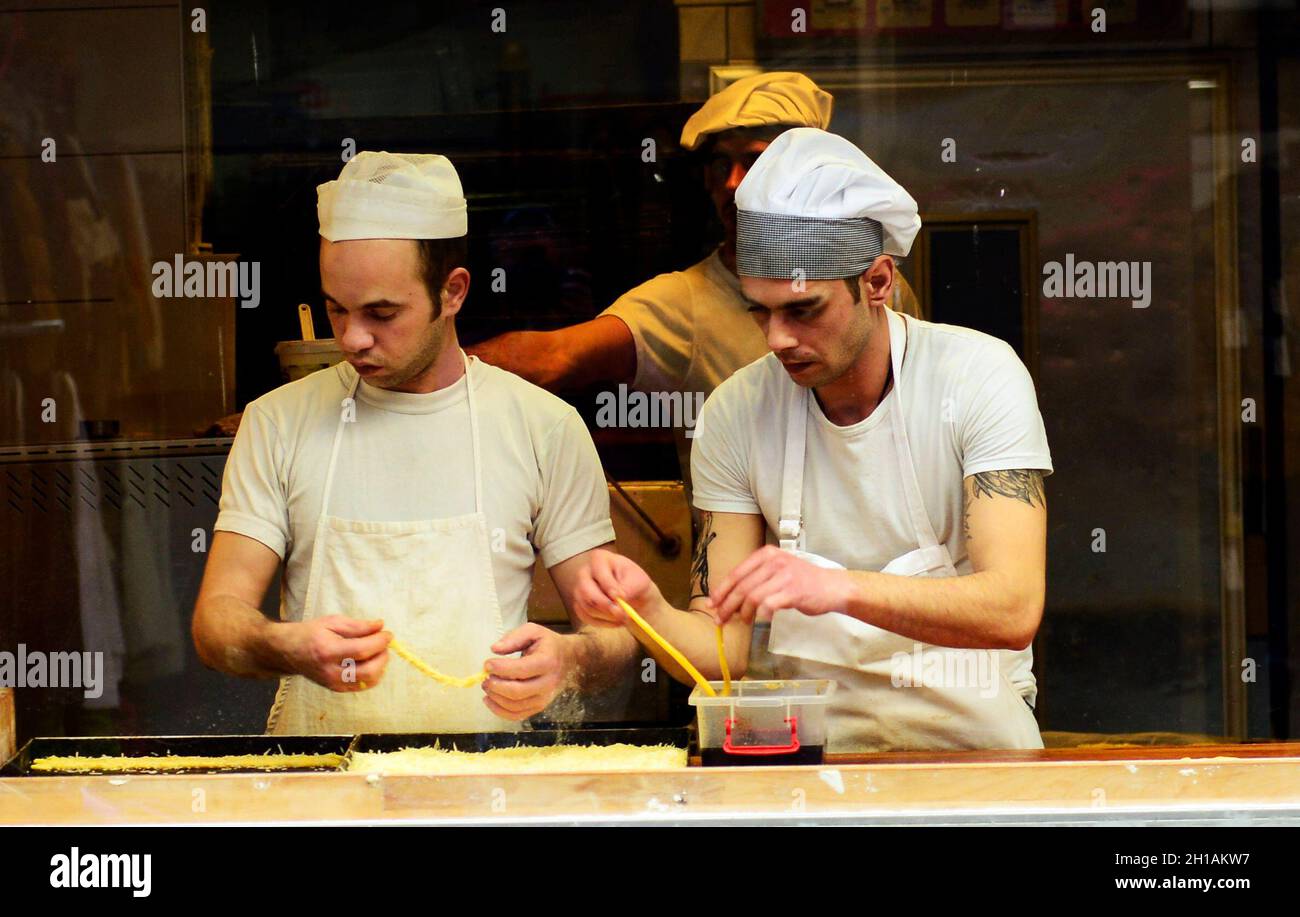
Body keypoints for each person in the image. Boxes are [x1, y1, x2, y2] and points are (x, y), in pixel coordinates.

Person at [572, 129, 1052, 752]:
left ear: (877, 283)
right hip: (813, 761)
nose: (776, 339)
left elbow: (1013, 607)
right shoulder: (736, 414)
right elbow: (726, 650)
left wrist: (838, 588)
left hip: (977, 755)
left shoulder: (979, 376)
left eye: (802, 311)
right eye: (760, 311)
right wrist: (649, 611)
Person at [192, 151, 637, 735]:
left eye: (382, 313)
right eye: (336, 309)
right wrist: (287, 646)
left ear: (452, 292)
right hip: (321, 786)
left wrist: (569, 659)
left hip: (486, 784)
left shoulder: (541, 426)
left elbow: (618, 635)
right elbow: (216, 622)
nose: (352, 338)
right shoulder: (277, 422)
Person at [468, 73, 922, 506]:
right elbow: (554, 357)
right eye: (721, 165)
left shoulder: (878, 285)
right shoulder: (686, 303)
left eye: (756, 162)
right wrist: (430, 368)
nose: (732, 183)